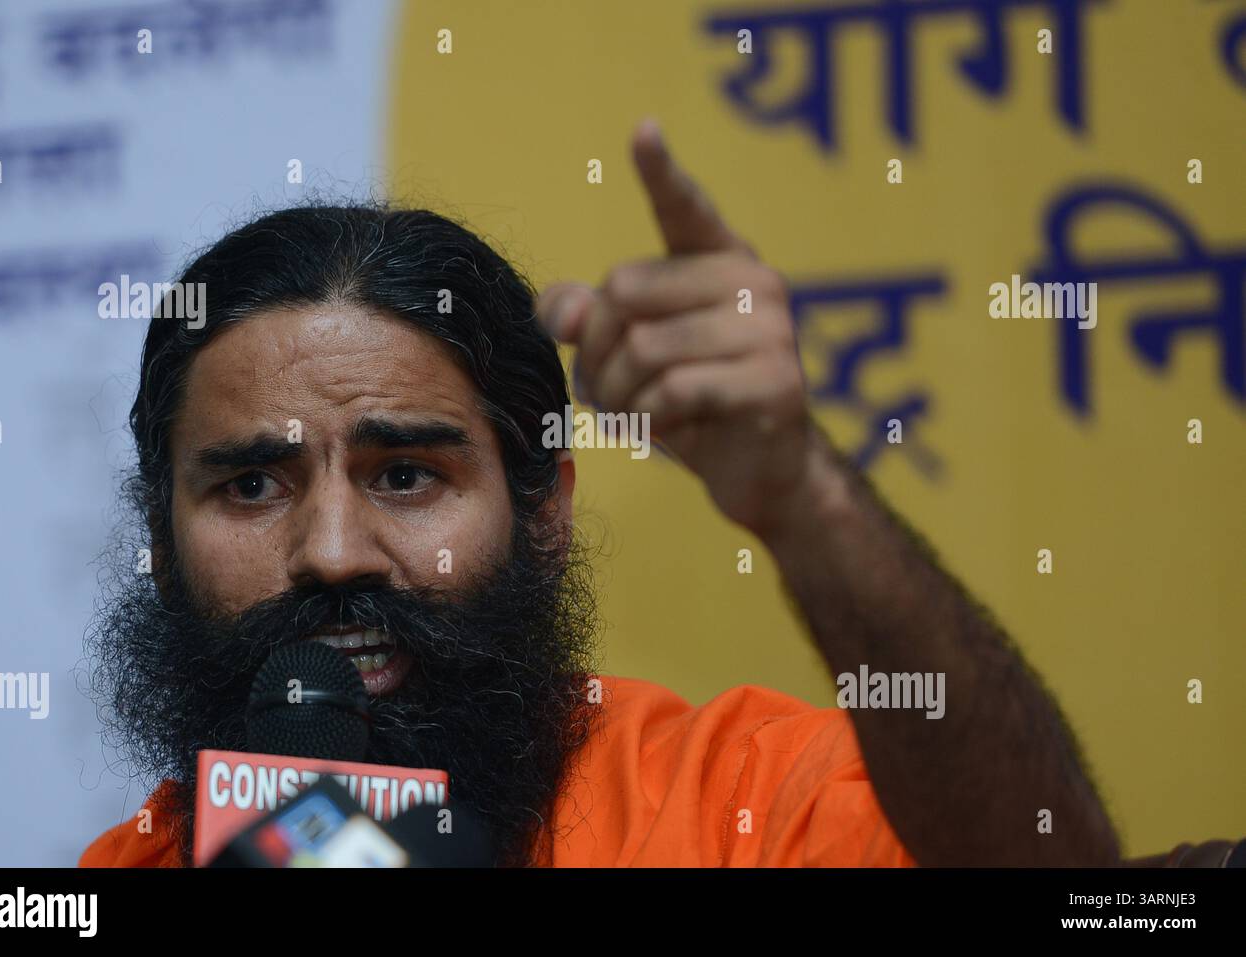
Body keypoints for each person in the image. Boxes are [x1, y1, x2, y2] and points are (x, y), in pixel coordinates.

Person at [79, 119, 1119, 867]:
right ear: (163, 546)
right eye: (253, 485)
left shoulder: (743, 803)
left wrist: (807, 498)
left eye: (404, 476)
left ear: (546, 514)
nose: (335, 551)